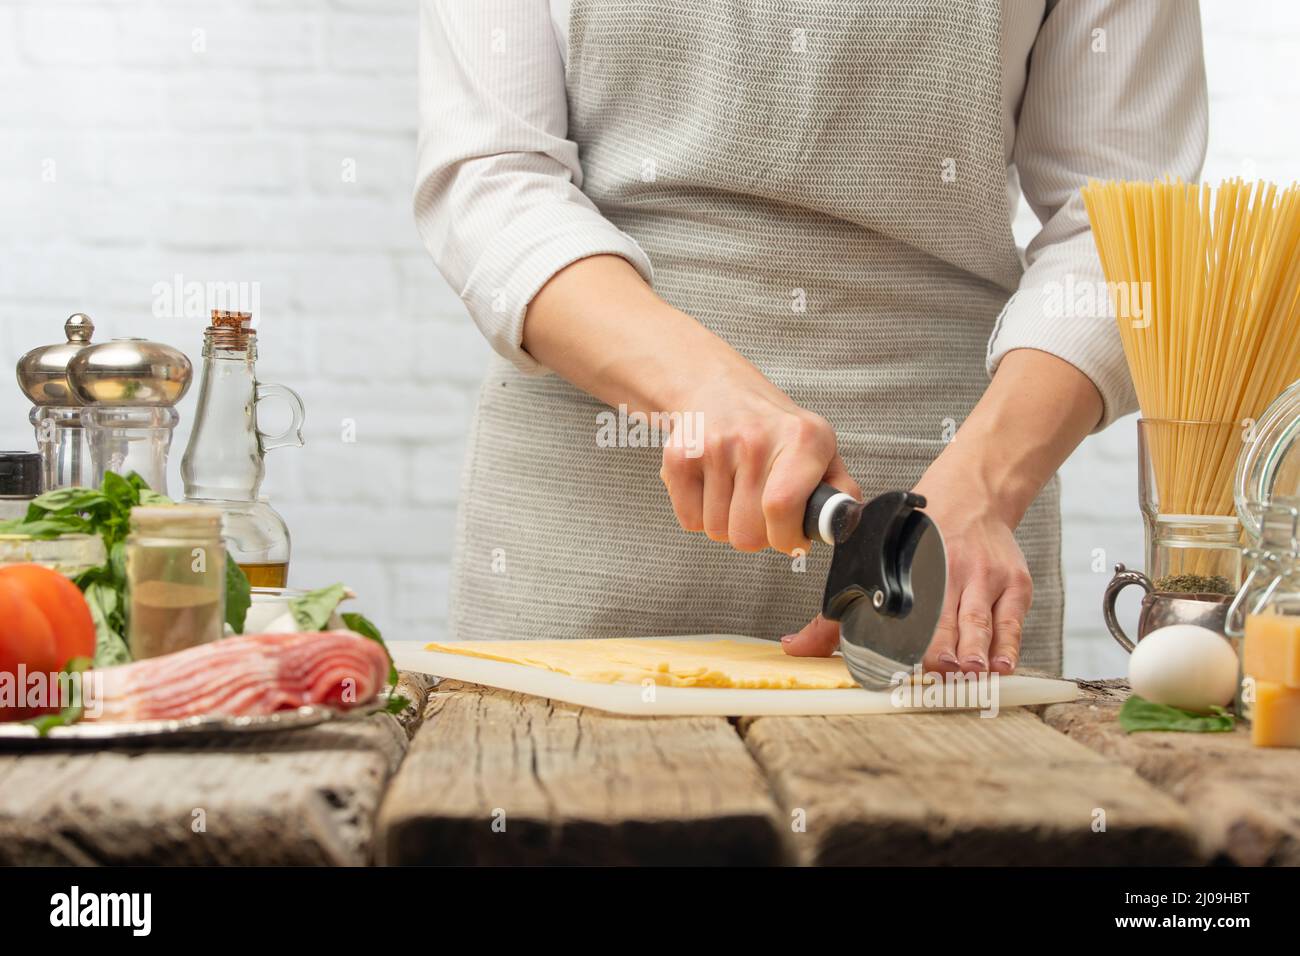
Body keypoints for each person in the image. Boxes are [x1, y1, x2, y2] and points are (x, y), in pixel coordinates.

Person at [414, 0, 1207, 675]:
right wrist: (701, 389)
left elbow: (1126, 229)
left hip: (949, 543)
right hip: (584, 522)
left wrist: (982, 488)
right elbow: (492, 175)